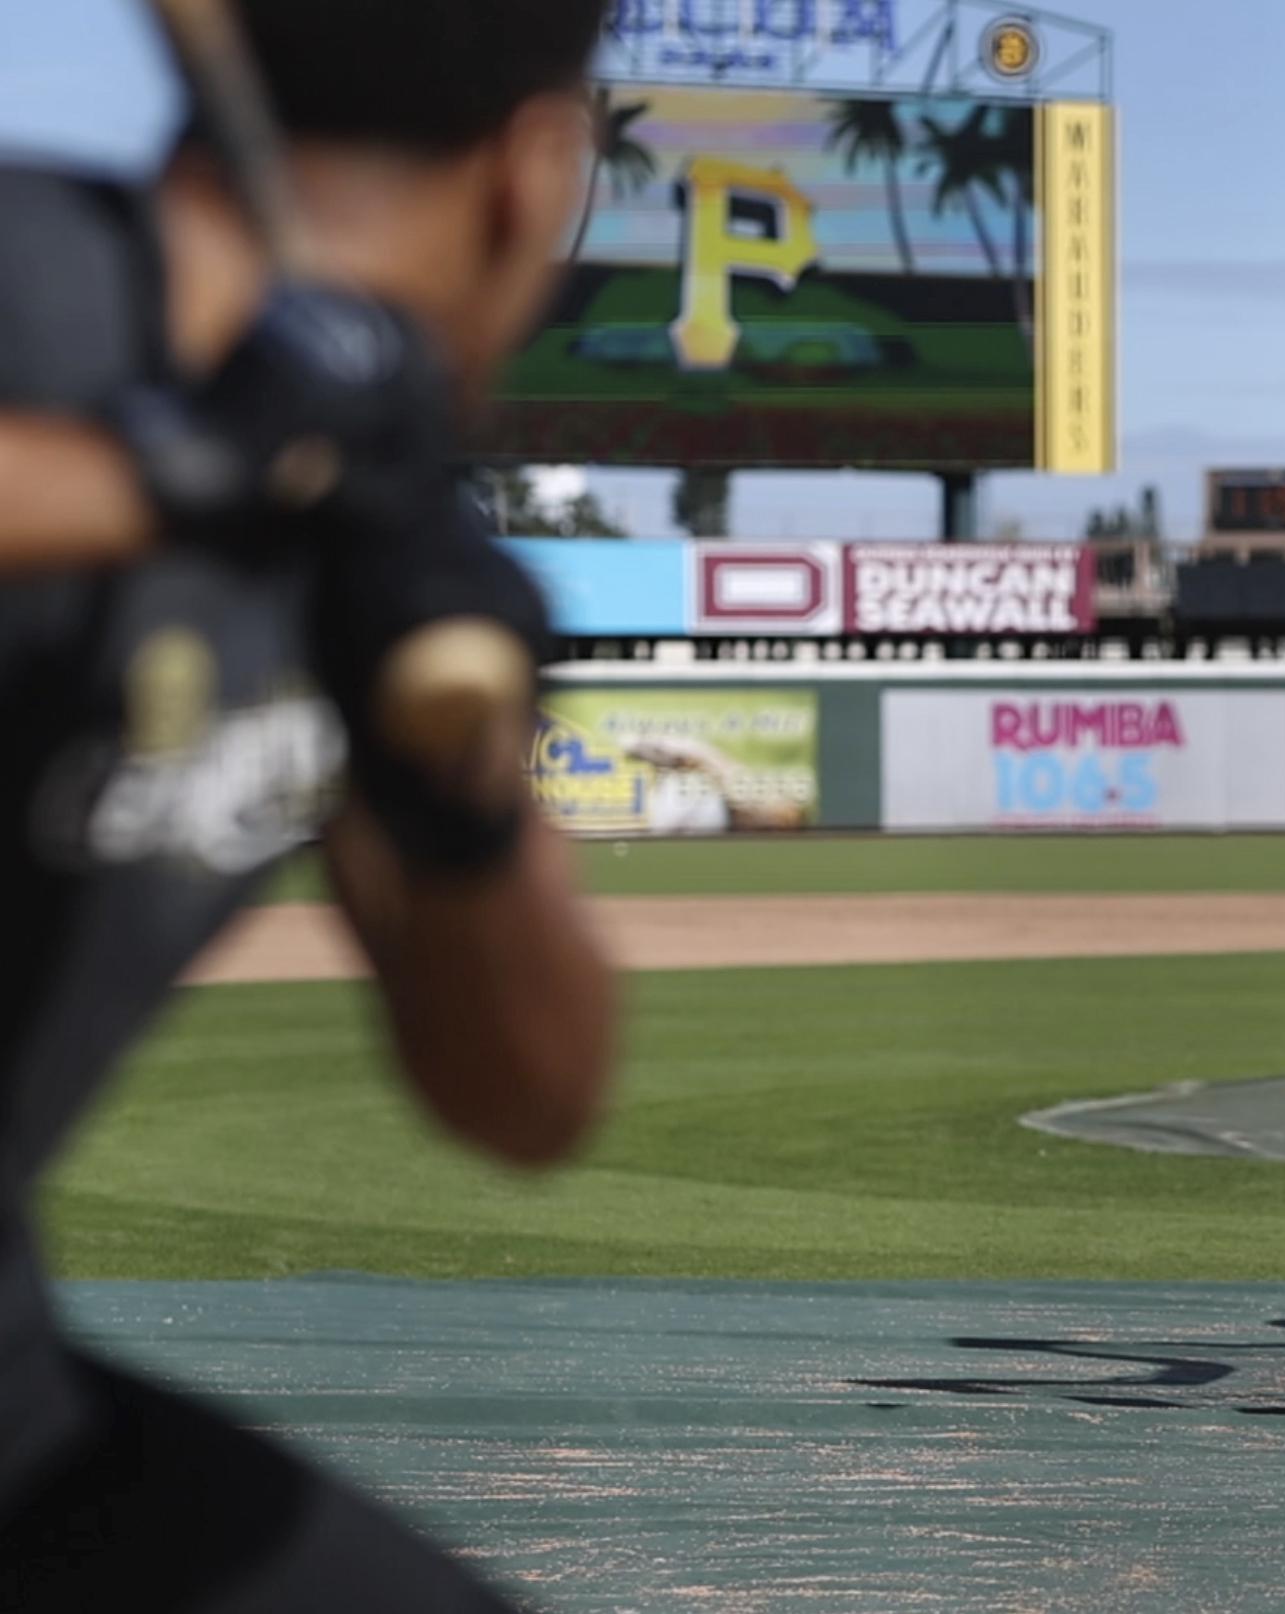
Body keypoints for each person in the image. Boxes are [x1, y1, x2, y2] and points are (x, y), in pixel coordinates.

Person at [0, 1, 619, 1607]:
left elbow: (527, 1101)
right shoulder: (38, 292)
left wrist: (463, 803)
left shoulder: (374, 507)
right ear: (540, 174)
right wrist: (159, 478)